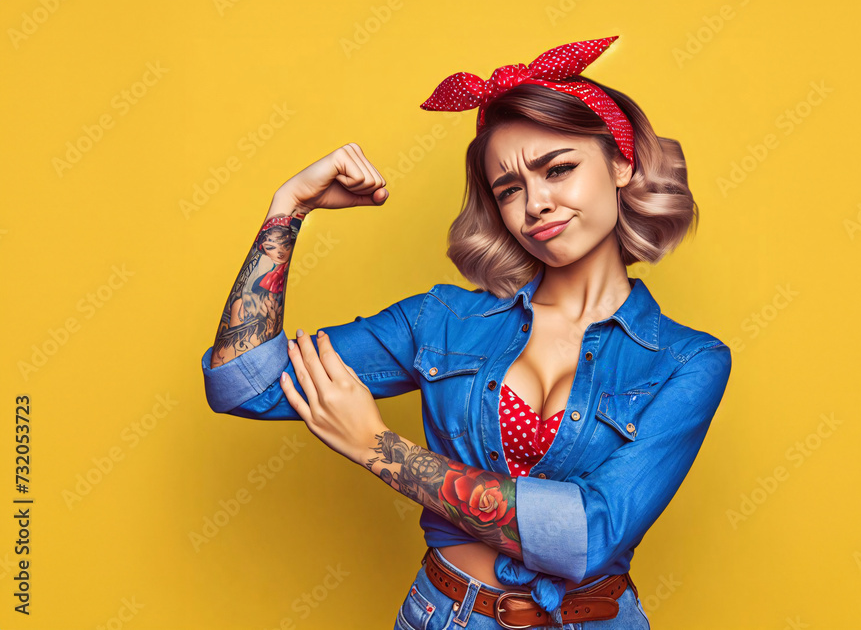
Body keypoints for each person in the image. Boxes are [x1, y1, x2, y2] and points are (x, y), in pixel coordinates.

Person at [201, 36, 732, 629]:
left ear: (621, 162)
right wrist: (287, 209)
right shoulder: (442, 321)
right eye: (509, 189)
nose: (536, 203)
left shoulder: (688, 360)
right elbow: (242, 383)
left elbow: (585, 534)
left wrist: (381, 450)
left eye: (558, 169)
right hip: (447, 615)